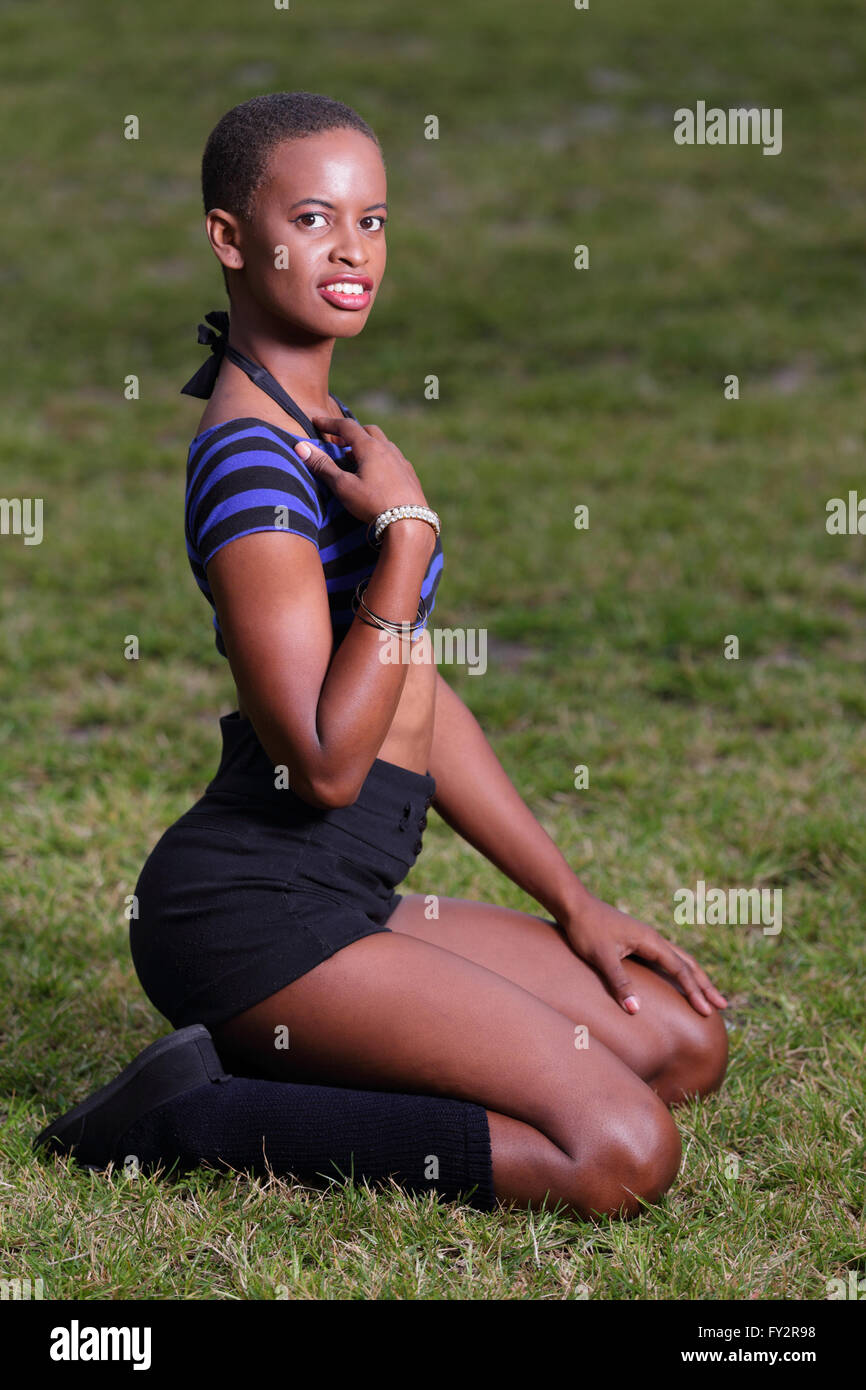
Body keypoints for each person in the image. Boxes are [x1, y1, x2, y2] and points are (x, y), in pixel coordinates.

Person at [35, 91, 728, 1220]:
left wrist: (573, 899)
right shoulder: (252, 468)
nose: (352, 249)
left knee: (682, 1040)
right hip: (251, 916)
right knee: (617, 1151)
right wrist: (405, 545)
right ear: (229, 239)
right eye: (312, 218)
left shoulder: (322, 425)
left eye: (373, 220)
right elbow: (323, 766)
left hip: (346, 889)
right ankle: (186, 1118)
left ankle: (301, 1057)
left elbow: (418, 698)